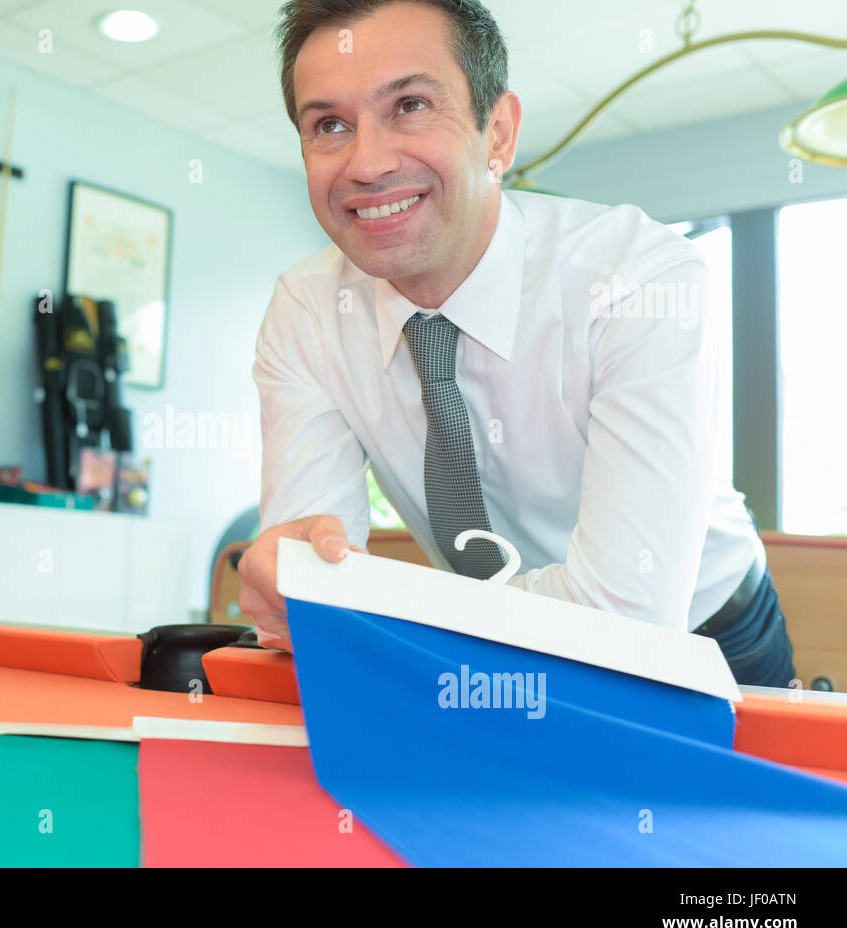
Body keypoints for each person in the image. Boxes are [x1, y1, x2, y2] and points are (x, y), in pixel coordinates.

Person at [236, 0, 795, 688]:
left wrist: (381, 613)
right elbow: (312, 581)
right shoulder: (306, 311)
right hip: (468, 653)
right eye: (329, 124)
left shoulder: (635, 276)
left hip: (704, 634)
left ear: (497, 133)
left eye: (409, 105)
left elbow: (626, 615)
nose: (368, 163)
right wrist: (288, 584)